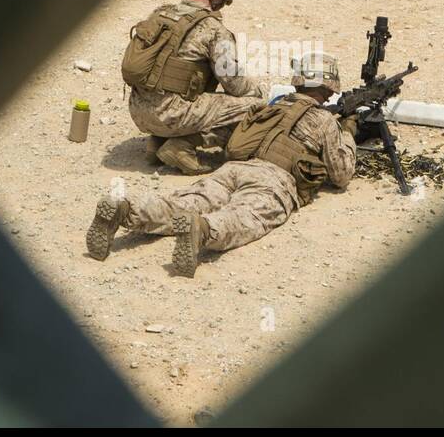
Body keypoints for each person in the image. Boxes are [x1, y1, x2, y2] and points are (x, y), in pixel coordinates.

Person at [89, 51, 357, 277]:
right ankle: (204, 230)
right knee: (246, 217)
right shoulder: (324, 122)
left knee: (185, 201)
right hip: (273, 180)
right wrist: (347, 133)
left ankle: (126, 209)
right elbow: (341, 174)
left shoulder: (274, 105)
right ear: (329, 87)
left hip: (233, 169)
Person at [121, 0, 266, 174]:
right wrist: (260, 93)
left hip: (138, 110)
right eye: (222, 1)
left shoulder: (160, 15)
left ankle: (157, 142)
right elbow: (234, 84)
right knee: (255, 107)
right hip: (170, 114)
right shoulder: (214, 30)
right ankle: (182, 146)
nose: (221, 7)